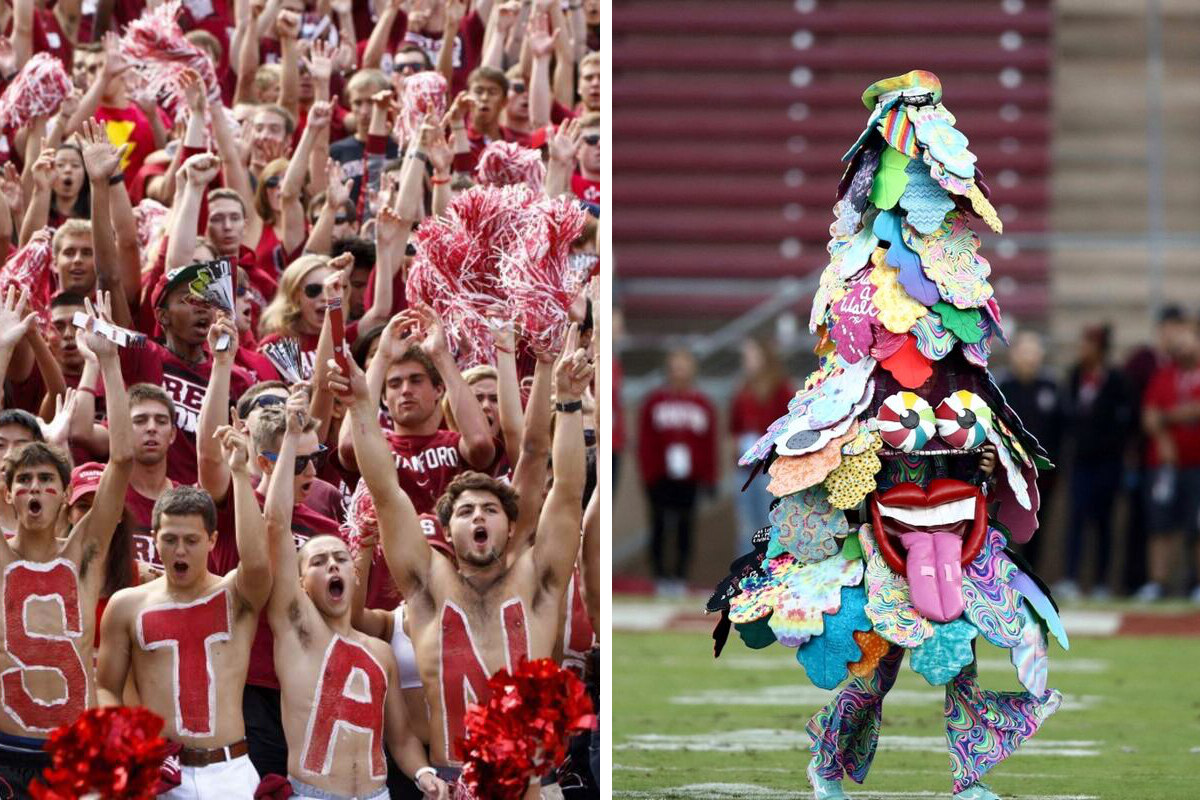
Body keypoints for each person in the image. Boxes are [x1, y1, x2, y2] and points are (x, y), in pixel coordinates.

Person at [339, 321, 591, 796]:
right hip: (452, 782)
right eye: (466, 511)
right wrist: (359, 405)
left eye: (490, 510)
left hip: (532, 787)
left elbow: (567, 490)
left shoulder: (536, 579)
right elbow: (385, 489)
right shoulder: (427, 589)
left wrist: (570, 402)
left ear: (510, 527)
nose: (478, 516)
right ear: (446, 531)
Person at [262, 392, 447, 800]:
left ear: (354, 571)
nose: (332, 565)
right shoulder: (294, 630)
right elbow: (275, 524)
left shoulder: (380, 652)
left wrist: (424, 775)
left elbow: (400, 738)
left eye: (340, 558)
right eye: (318, 561)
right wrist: (290, 437)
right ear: (300, 582)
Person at [0, 298, 131, 793]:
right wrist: (3, 350)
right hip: (6, 753)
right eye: (24, 480)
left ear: (63, 493)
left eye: (46, 480)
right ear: (8, 494)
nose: (34, 488)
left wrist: (110, 362)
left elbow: (121, 461)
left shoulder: (84, 554)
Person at [96, 427, 270, 798]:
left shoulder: (235, 595)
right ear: (154, 538)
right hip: (162, 771)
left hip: (230, 772)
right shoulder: (126, 605)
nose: (180, 551)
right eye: (170, 539)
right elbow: (106, 687)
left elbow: (257, 561)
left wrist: (240, 474)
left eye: (191, 540)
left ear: (212, 541)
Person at [1056, 325, 1132, 600]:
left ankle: (1102, 582)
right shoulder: (1075, 376)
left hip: (1108, 463)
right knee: (1076, 519)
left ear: (1100, 349)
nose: (1082, 350)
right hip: (1081, 461)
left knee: (1104, 522)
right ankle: (1071, 578)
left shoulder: (1116, 380)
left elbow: (1125, 422)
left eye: (1087, 345)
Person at [637, 347, 716, 594]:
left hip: (689, 477)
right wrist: (649, 473)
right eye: (676, 366)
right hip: (660, 476)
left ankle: (680, 576)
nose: (680, 371)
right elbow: (646, 440)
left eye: (684, 366)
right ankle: (660, 576)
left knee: (686, 525)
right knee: (658, 524)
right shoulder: (655, 402)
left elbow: (709, 443)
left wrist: (709, 477)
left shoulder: (702, 404)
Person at [1138, 316, 1200, 602]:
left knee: (1196, 526)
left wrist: (1168, 416)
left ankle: (1196, 583)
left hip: (1196, 465)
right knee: (1159, 523)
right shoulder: (1163, 375)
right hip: (1164, 466)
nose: (1182, 346)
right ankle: (1157, 583)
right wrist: (1164, 435)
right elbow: (1149, 417)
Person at [997, 331, 1063, 574]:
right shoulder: (1001, 386)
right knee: (1001, 522)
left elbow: (1060, 429)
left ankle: (1030, 575)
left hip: (1040, 474)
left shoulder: (1052, 386)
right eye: (1024, 351)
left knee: (1035, 524)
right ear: (1013, 354)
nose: (1029, 358)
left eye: (1033, 351)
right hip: (1005, 470)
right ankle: (997, 572)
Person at [728, 337, 792, 555]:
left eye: (751, 355)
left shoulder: (781, 389)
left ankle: (770, 569)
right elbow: (734, 428)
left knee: (770, 525)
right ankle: (746, 570)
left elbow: (789, 426)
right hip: (746, 470)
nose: (746, 361)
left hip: (770, 470)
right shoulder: (742, 390)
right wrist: (737, 446)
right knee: (746, 528)